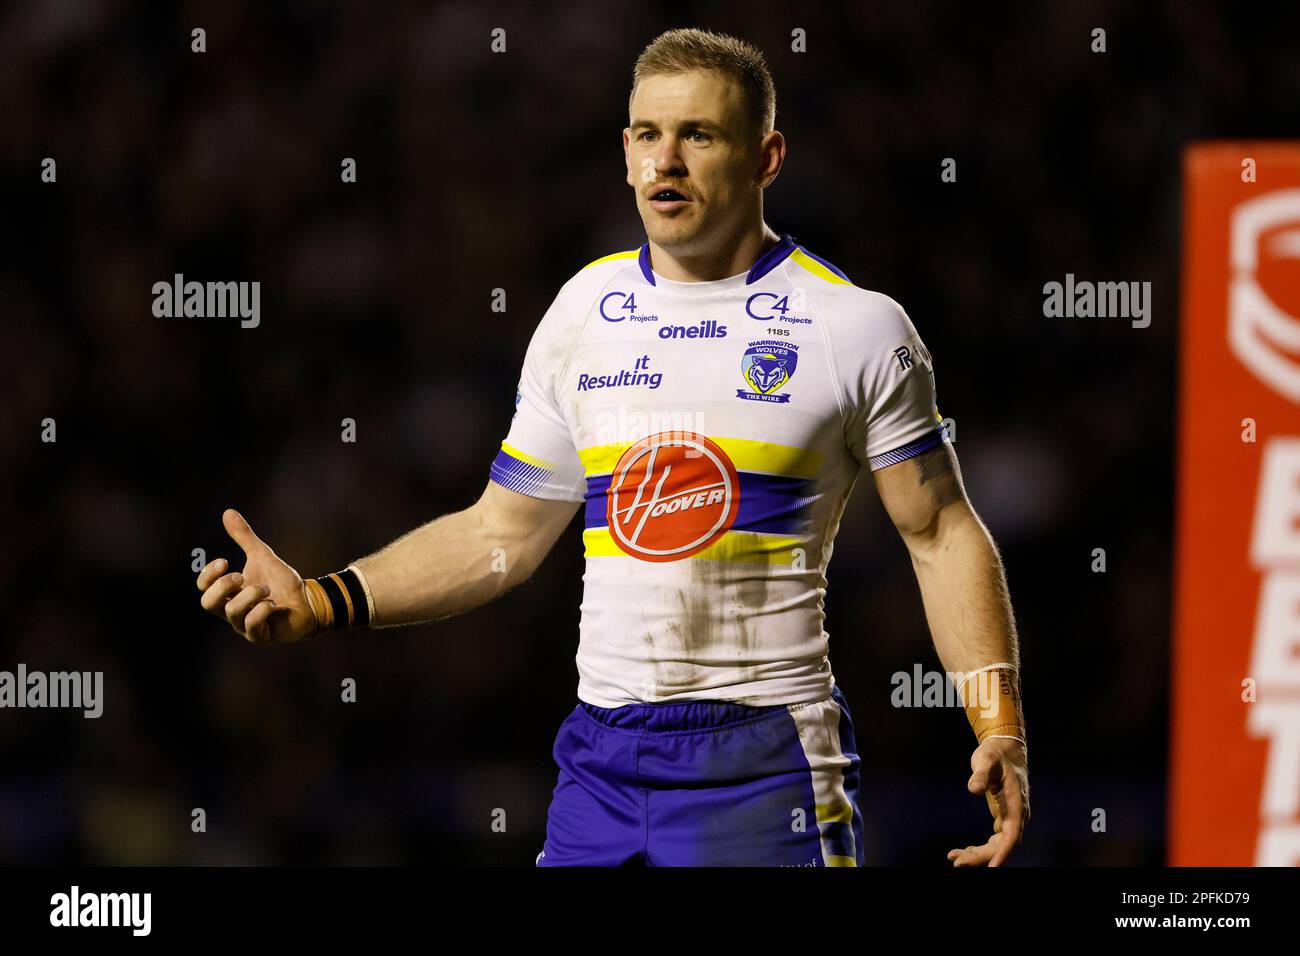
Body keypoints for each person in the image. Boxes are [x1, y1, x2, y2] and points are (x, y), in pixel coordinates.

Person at [196, 27, 1029, 867]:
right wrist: (321, 598)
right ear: (624, 152)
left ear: (767, 156)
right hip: (599, 760)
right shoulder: (582, 313)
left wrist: (998, 724)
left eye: (698, 135)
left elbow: (941, 534)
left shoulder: (855, 328)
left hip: (764, 763)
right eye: (646, 135)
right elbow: (501, 538)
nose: (665, 162)